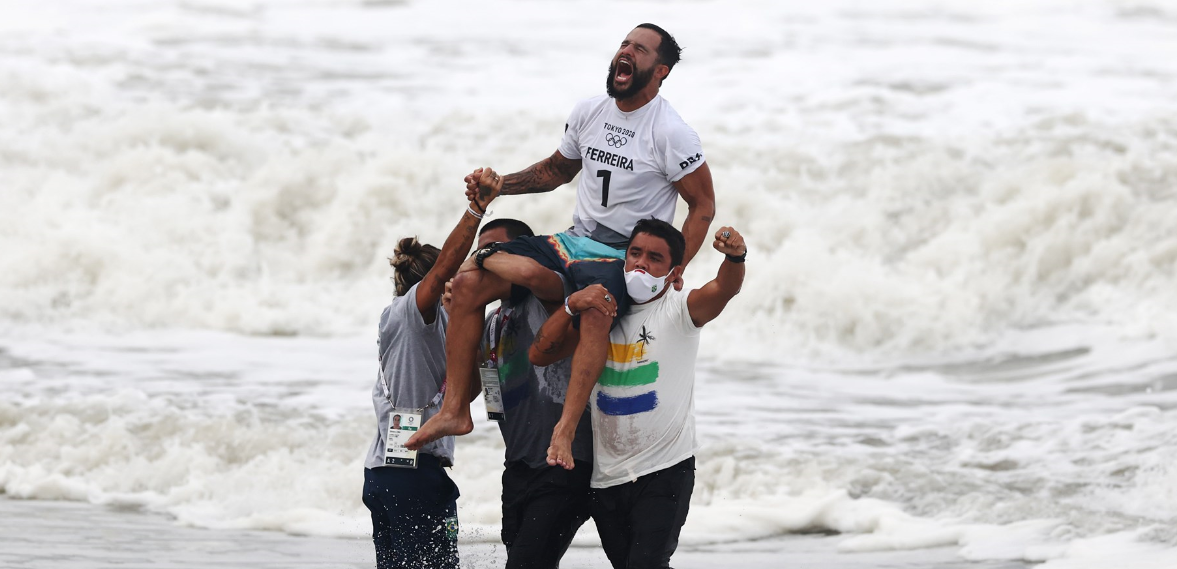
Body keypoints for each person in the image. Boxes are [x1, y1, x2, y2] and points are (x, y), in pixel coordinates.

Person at [408, 23, 717, 473]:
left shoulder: (672, 133)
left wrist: (672, 269)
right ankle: (456, 408)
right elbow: (556, 171)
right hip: (570, 240)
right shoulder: (590, 111)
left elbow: (703, 207)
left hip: (618, 255)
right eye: (624, 43)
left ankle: (565, 429)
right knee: (471, 282)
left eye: (641, 49)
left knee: (596, 309)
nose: (626, 51)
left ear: (661, 70)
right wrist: (499, 188)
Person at [529, 219, 746, 569]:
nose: (641, 263)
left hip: (665, 469)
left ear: (675, 272)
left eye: (655, 258)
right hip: (608, 476)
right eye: (635, 253)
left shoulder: (680, 309)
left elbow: (724, 288)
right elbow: (540, 352)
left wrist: (736, 258)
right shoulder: (601, 313)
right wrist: (572, 304)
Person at [361, 168, 503, 569]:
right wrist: (477, 208)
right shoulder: (407, 312)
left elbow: (468, 391)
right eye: (453, 278)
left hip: (394, 476)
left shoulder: (443, 325)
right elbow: (444, 268)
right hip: (409, 476)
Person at [470, 218, 595, 569]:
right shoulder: (493, 321)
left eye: (496, 251)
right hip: (519, 464)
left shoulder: (552, 296)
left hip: (565, 464)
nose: (487, 262)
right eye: (482, 251)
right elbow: (479, 394)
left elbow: (531, 274)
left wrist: (481, 257)